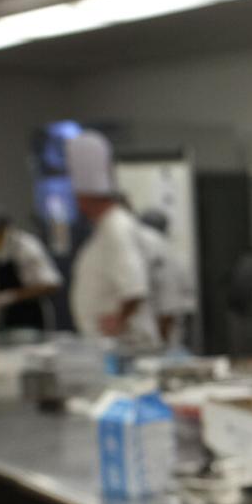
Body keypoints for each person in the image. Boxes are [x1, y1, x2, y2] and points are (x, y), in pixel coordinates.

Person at [64, 131, 159, 349]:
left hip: (126, 347)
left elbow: (135, 287)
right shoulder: (106, 227)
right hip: (109, 345)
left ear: (84, 198)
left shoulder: (117, 228)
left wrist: (119, 319)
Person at [0, 201, 62, 331]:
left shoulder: (25, 246)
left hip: (32, 317)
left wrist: (11, 296)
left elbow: (50, 285)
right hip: (7, 319)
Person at [133, 207, 198, 348]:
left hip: (177, 318)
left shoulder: (165, 254)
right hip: (173, 317)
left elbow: (169, 304)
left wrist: (162, 340)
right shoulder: (172, 252)